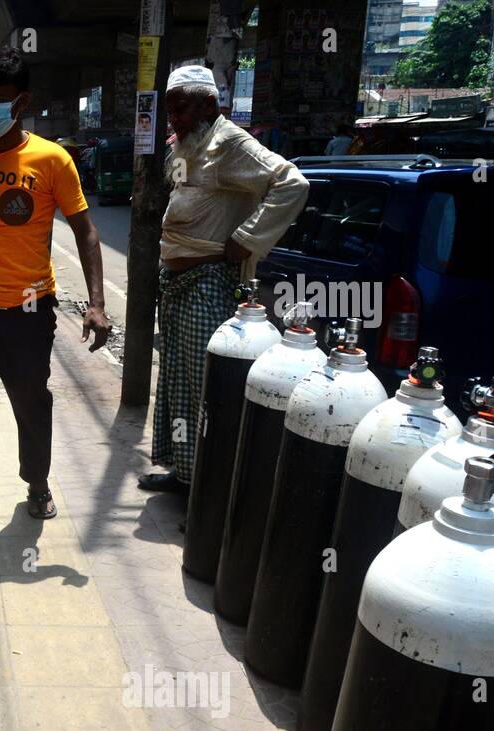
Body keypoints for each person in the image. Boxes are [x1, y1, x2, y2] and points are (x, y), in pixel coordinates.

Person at [0, 46, 111, 560]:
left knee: (32, 407)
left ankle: (37, 482)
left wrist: (96, 303)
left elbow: (87, 232)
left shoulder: (53, 160)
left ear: (21, 102)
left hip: (31, 312)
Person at [139, 64, 309, 495]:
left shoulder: (231, 142)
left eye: (181, 109)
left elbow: (291, 183)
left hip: (209, 281)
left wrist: (247, 238)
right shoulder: (188, 145)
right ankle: (184, 473)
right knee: (177, 382)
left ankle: (211, 491)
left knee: (205, 391)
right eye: (171, 111)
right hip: (178, 283)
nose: (174, 119)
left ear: (209, 105)